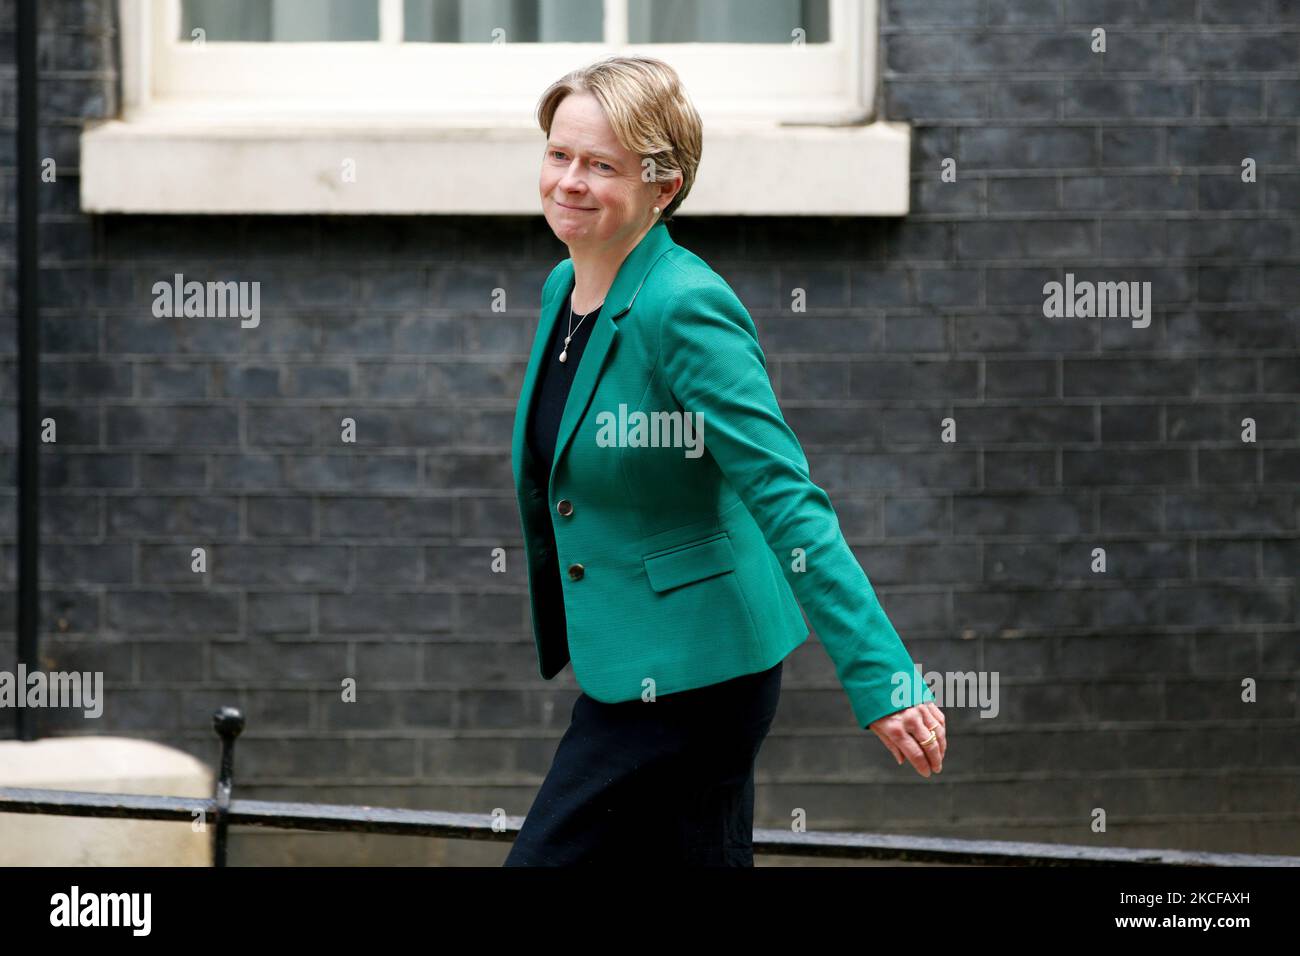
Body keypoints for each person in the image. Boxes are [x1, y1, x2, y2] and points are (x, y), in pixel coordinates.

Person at [504, 55, 945, 867]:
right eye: (558, 154)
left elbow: (786, 496)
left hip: (691, 677)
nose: (569, 180)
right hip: (643, 656)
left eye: (602, 165)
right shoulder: (563, 288)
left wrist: (884, 677)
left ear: (661, 187)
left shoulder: (685, 307)